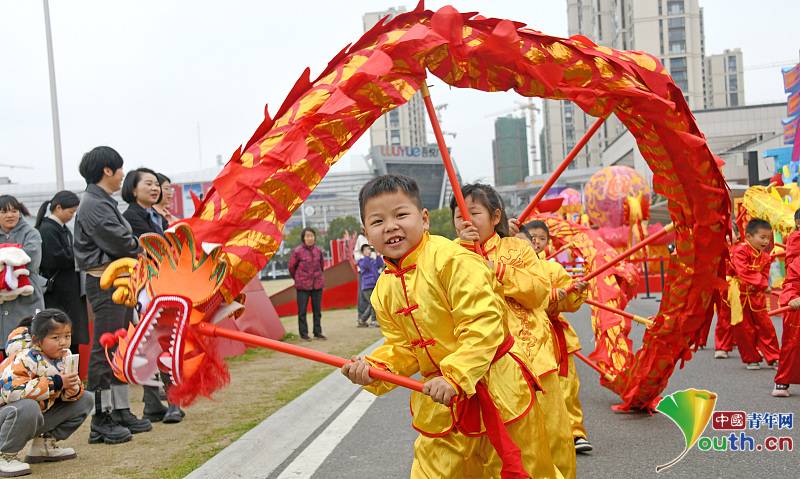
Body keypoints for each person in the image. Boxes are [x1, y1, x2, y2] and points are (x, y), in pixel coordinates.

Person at [342, 175, 557, 478]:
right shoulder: (382, 290)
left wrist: (455, 375)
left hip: (500, 392)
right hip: (441, 405)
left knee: (525, 471)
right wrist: (375, 368)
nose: (390, 226)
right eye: (378, 221)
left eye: (401, 215)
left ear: (424, 218)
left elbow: (484, 325)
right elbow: (403, 347)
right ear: (366, 233)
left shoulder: (453, 259)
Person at [451, 184, 576, 478]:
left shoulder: (517, 248)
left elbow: (539, 293)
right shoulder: (450, 256)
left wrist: (497, 270)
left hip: (535, 361)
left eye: (474, 213)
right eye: (459, 215)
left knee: (554, 439)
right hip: (486, 369)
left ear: (495, 217)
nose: (466, 220)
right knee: (495, 452)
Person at [74, 146, 150, 444]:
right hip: (105, 282)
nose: (122, 175)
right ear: (107, 170)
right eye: (119, 169)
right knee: (104, 349)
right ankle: (101, 419)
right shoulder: (93, 204)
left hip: (119, 282)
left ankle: (119, 410)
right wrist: (140, 246)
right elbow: (121, 243)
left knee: (118, 347)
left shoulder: (101, 201)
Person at [517, 221, 593, 454]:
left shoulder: (552, 269)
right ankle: (538, 438)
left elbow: (567, 301)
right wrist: (545, 295)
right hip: (524, 337)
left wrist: (575, 291)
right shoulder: (513, 269)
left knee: (567, 386)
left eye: (541, 238)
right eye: (532, 237)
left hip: (554, 336)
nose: (536, 242)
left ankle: (575, 433)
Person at [121, 168, 183, 424]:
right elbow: (155, 248)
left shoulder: (157, 217)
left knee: (162, 344)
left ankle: (163, 403)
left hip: (163, 286)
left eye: (157, 184)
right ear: (133, 189)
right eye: (148, 184)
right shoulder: (131, 217)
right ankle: (164, 403)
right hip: (146, 290)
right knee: (152, 344)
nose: (156, 188)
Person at [0, 309, 93, 476]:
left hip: (33, 415)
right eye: (55, 338)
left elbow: (69, 391)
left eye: (67, 336)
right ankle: (4, 455)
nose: (63, 342)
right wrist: (56, 383)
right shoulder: (23, 357)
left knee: (85, 399)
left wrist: (71, 389)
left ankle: (42, 446)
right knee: (28, 407)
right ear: (37, 340)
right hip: (7, 415)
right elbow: (11, 392)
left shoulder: (65, 356)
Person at [34, 191, 89, 354]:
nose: (72, 216)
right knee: (60, 332)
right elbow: (54, 258)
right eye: (70, 211)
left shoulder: (61, 228)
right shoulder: (48, 229)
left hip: (67, 289)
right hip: (58, 291)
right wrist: (77, 254)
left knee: (70, 334)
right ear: (58, 208)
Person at [729, 218, 781, 370]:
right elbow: (742, 271)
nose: (766, 241)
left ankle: (774, 357)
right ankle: (751, 358)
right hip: (739, 295)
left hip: (756, 297)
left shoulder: (765, 257)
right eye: (762, 237)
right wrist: (763, 284)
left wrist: (764, 284)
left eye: (768, 238)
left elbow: (764, 274)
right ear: (749, 236)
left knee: (766, 327)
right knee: (744, 329)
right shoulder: (740, 251)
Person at [0, 196, 45, 350]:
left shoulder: (31, 233)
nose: (10, 215)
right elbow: (18, 257)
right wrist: (13, 254)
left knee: (25, 345)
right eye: (4, 212)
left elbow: (30, 259)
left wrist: (3, 258)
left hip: (27, 299)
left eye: (14, 211)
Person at [773, 210, 800, 397]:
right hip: (797, 301)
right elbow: (791, 279)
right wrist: (791, 297)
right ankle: (783, 380)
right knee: (792, 342)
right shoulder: (796, 242)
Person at [288, 228, 326, 341]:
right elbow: (291, 267)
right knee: (302, 311)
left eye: (312, 236)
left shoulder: (318, 251)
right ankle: (304, 334)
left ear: (314, 237)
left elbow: (322, 266)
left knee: (317, 311)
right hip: (302, 285)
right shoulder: (297, 251)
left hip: (317, 284)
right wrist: (298, 278)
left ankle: (317, 332)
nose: (310, 238)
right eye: (307, 236)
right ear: (303, 238)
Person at [356, 243, 383, 328]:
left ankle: (362, 320)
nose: (369, 251)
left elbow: (380, 264)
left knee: (372, 303)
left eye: (369, 249)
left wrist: (378, 255)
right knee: (373, 303)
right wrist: (367, 256)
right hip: (367, 286)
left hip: (374, 284)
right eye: (366, 249)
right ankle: (373, 320)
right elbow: (366, 265)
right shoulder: (362, 261)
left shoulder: (372, 260)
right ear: (362, 252)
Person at [352, 229, 369, 326]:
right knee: (362, 295)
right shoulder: (361, 238)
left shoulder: (376, 235)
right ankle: (361, 318)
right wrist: (364, 261)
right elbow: (356, 253)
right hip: (363, 271)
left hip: (375, 269)